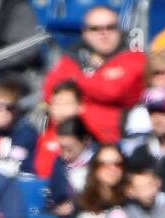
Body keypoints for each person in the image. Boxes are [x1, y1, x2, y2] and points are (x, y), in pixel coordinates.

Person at [43, 4, 146, 145]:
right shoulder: (71, 58)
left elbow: (112, 91)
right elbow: (50, 91)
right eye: (95, 28)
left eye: (110, 27)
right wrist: (97, 86)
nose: (103, 33)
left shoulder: (135, 58)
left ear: (120, 31)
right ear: (85, 32)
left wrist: (76, 84)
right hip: (66, 141)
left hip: (114, 143)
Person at [60, 142, 126, 218]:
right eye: (104, 164)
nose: (112, 169)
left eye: (117, 164)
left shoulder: (129, 202)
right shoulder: (82, 201)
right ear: (95, 168)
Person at [0, 76, 38, 179]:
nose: (2, 112)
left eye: (9, 107)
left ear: (17, 109)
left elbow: (31, 175)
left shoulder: (29, 135)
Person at [32, 79, 82, 178]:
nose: (60, 109)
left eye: (67, 104)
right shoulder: (44, 138)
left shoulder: (88, 138)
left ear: (80, 106)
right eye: (56, 103)